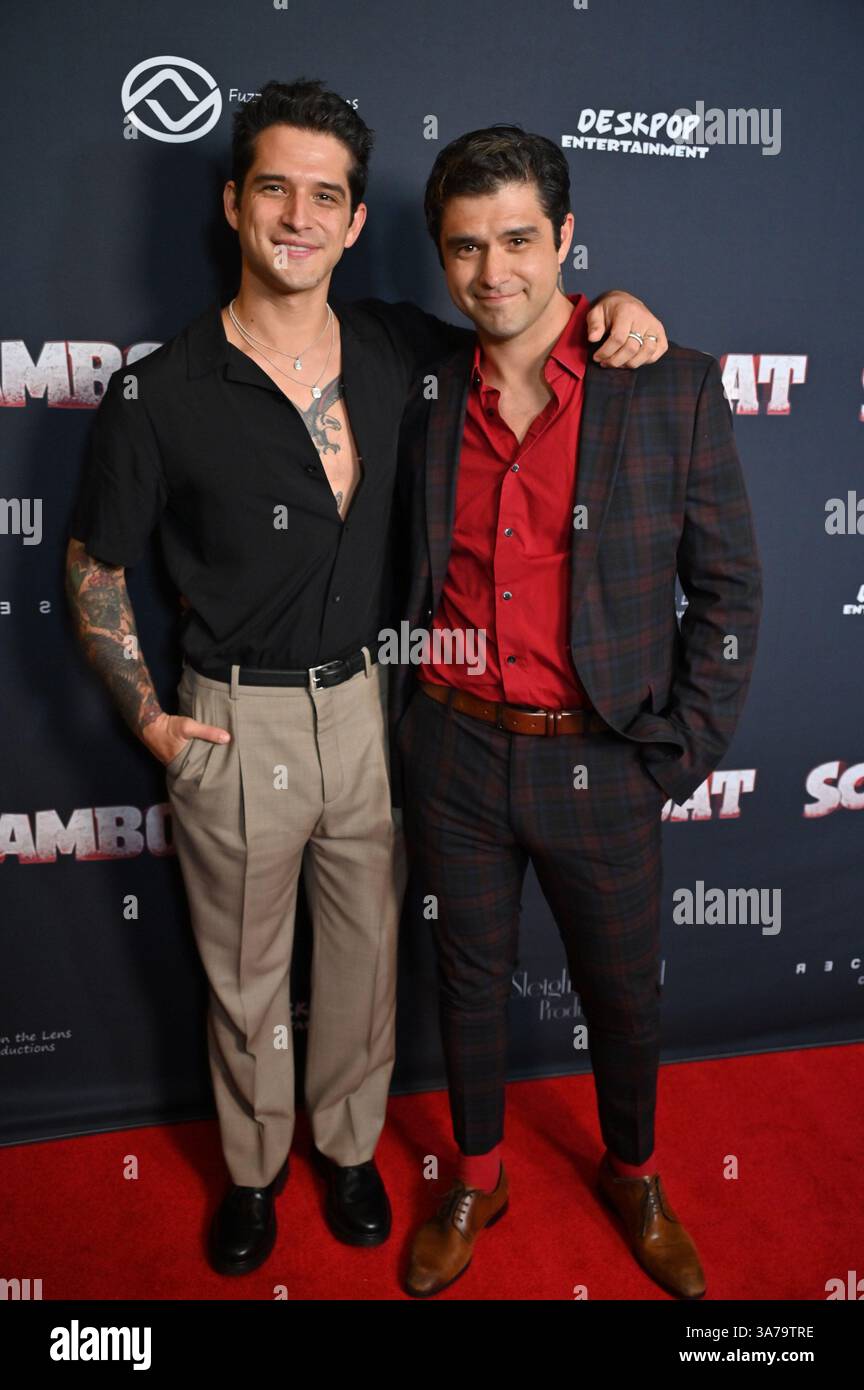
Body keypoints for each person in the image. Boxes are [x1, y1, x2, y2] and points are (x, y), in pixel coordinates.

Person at [65, 79, 669, 1279]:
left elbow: (529, 318)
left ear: (352, 224)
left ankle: (345, 1150)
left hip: (372, 709)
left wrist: (622, 311)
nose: (299, 214)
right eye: (275, 186)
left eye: (326, 195)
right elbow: (94, 567)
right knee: (245, 978)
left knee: (362, 964)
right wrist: (151, 719)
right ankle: (250, 1173)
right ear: (235, 203)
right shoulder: (161, 389)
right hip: (230, 717)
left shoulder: (402, 345)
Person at [392, 124, 762, 1300]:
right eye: (463, 247)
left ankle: (637, 1171)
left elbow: (731, 589)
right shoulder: (418, 382)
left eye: (517, 240)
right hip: (450, 742)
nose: (492, 272)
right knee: (464, 977)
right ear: (438, 257)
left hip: (604, 757)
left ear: (564, 238)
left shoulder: (670, 382)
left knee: (622, 990)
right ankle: (479, 1171)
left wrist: (684, 751)